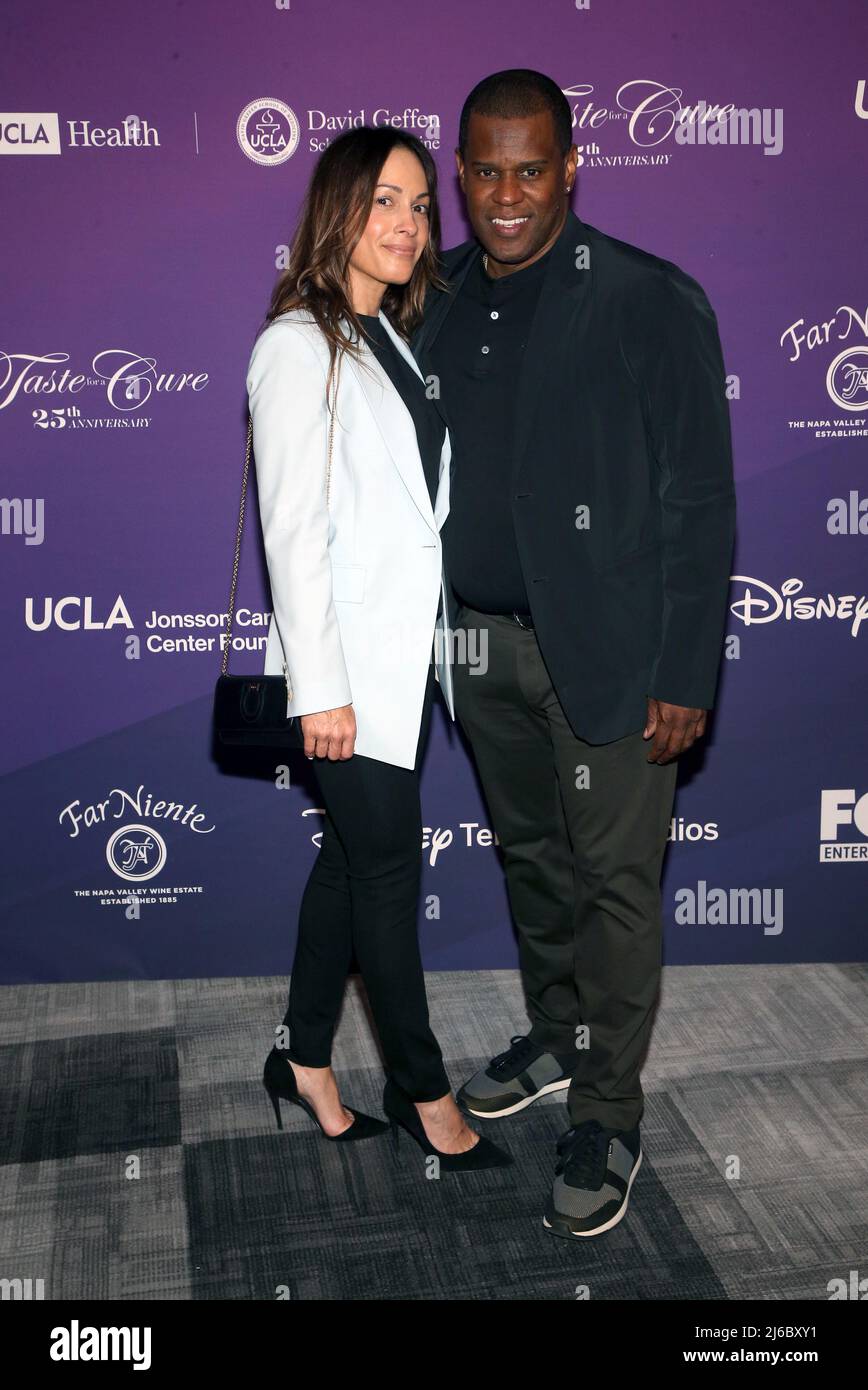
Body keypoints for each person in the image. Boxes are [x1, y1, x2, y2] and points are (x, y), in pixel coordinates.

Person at [413, 70, 736, 1232]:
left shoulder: (648, 298)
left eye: (530, 169)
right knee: (533, 863)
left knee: (613, 889)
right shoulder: (432, 291)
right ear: (460, 174)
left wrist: (683, 672)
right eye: (486, 171)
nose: (507, 194)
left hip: (608, 656)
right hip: (477, 646)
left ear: (571, 166)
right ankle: (556, 1035)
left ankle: (607, 1109)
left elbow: (698, 500)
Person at [247, 126, 512, 1173]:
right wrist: (322, 688)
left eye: (417, 205)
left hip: (400, 667)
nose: (406, 223)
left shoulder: (387, 339)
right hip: (345, 678)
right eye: (383, 201)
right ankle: (424, 1091)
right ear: (338, 208)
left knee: (350, 866)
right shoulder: (294, 345)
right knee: (388, 875)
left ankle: (303, 1056)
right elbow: (292, 534)